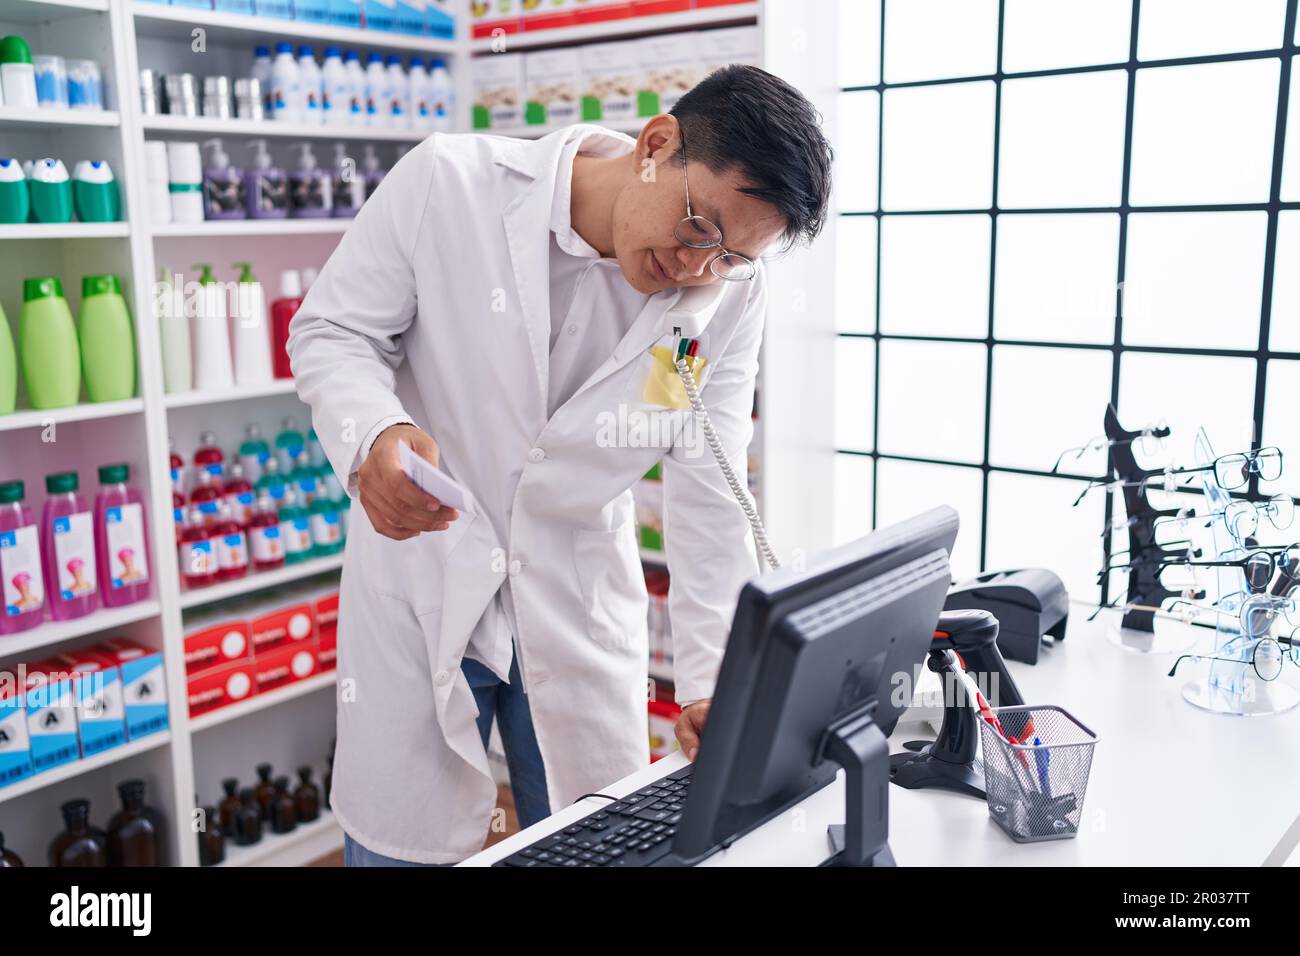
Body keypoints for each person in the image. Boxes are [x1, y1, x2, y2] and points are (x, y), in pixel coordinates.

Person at [286, 64, 833, 865]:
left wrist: (710, 678)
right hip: (424, 579)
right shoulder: (449, 182)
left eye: (731, 258)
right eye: (699, 230)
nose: (698, 270)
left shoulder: (727, 296)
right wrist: (374, 434)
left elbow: (709, 480)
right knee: (402, 846)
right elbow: (332, 331)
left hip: (576, 598)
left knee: (594, 844)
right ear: (656, 145)